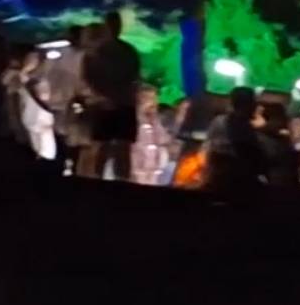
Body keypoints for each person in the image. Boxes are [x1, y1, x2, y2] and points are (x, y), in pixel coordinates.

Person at [74, 16, 141, 180]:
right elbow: (89, 78)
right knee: (107, 146)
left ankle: (115, 177)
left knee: (115, 146)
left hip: (116, 103)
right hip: (115, 103)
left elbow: (89, 78)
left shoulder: (122, 51)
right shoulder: (124, 50)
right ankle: (106, 176)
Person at [203, 87, 268, 195]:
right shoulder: (245, 129)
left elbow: (207, 150)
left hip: (214, 181)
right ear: (250, 105)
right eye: (254, 103)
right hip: (236, 187)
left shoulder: (218, 121)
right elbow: (256, 162)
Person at [11, 48, 58, 161]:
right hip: (32, 123)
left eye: (33, 59)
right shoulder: (21, 78)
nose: (31, 62)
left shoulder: (42, 81)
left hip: (40, 123)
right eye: (29, 59)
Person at [131, 83, 176, 184]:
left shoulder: (156, 120)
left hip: (153, 174)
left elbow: (164, 140)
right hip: (135, 171)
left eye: (154, 98)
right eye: (148, 98)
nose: (152, 102)